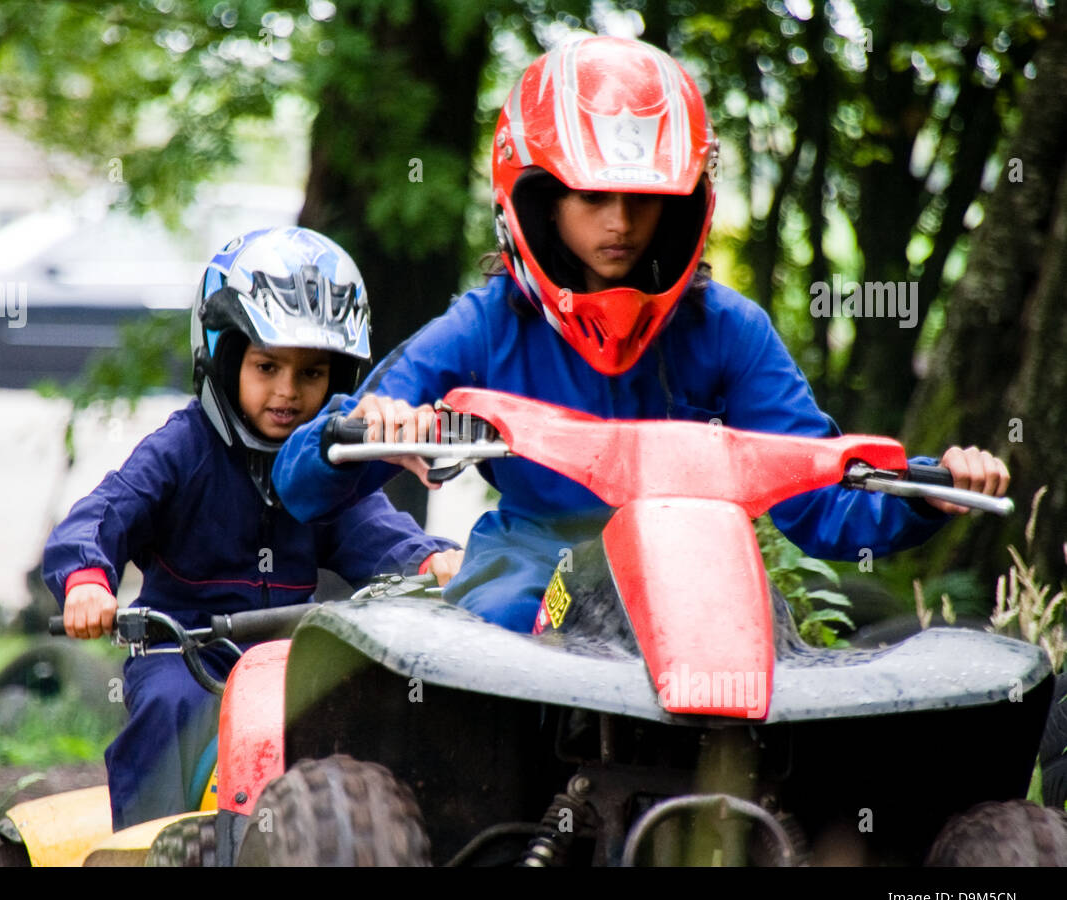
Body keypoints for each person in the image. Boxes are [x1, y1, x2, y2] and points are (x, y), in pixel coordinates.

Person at [271, 35, 1009, 634]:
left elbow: (820, 503)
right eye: (593, 196)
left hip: (704, 577)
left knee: (820, 664)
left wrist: (926, 495)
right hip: (534, 570)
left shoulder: (728, 330)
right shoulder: (484, 326)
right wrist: (365, 427)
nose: (620, 222)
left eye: (645, 199)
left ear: (682, 205)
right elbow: (302, 484)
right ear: (540, 200)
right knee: (497, 644)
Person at [43, 226, 462, 830]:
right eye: (267, 366)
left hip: (288, 659)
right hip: (184, 654)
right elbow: (104, 514)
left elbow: (375, 530)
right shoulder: (180, 450)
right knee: (168, 709)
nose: (288, 392)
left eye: (312, 373)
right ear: (224, 356)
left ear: (338, 381)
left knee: (368, 718)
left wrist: (429, 561)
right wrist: (85, 581)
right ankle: (146, 843)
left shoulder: (326, 474)